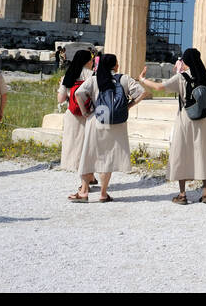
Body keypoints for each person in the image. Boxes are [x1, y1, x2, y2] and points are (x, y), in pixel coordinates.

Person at [137, 48, 206, 204]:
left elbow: (159, 87)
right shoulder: (205, 77)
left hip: (185, 119)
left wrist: (142, 79)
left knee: (182, 153)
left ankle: (183, 194)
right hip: (203, 121)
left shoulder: (181, 78)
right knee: (203, 153)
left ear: (185, 61)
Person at [71, 53, 145, 203]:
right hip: (117, 123)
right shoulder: (124, 79)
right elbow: (142, 92)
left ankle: (84, 192)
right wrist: (129, 106)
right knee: (107, 158)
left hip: (97, 119)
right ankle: (103, 194)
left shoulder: (94, 79)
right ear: (116, 65)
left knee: (89, 155)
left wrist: (85, 112)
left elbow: (78, 94)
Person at [57, 49, 95, 199]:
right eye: (91, 60)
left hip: (72, 115)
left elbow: (60, 99)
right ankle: (87, 179)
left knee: (77, 148)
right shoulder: (91, 75)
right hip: (88, 115)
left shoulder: (69, 74)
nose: (92, 62)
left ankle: (85, 182)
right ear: (87, 61)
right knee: (88, 148)